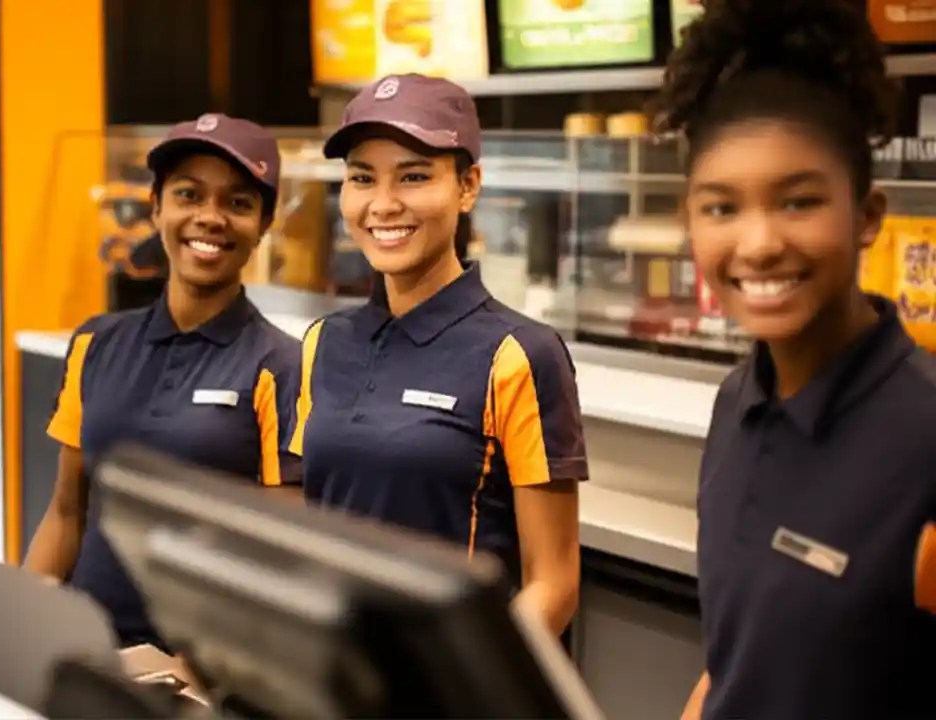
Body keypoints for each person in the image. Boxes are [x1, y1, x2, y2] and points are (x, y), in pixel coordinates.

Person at [650, 2, 936, 718]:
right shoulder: (736, 401)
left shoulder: (925, 432)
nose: (758, 244)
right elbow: (735, 663)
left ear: (867, 214)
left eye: (798, 201)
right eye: (721, 208)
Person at [287, 74, 588, 636]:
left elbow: (553, 584)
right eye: (361, 178)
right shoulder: (322, 343)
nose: (383, 204)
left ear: (468, 186)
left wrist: (463, 687)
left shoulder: (519, 354)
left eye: (415, 176)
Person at [24, 114, 302, 649]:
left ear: (264, 224)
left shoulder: (281, 366)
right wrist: (27, 623)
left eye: (238, 203)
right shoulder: (95, 344)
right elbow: (66, 511)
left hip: (202, 670)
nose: (210, 217)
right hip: (87, 647)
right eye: (188, 195)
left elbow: (283, 559)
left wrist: (207, 673)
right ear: (157, 207)